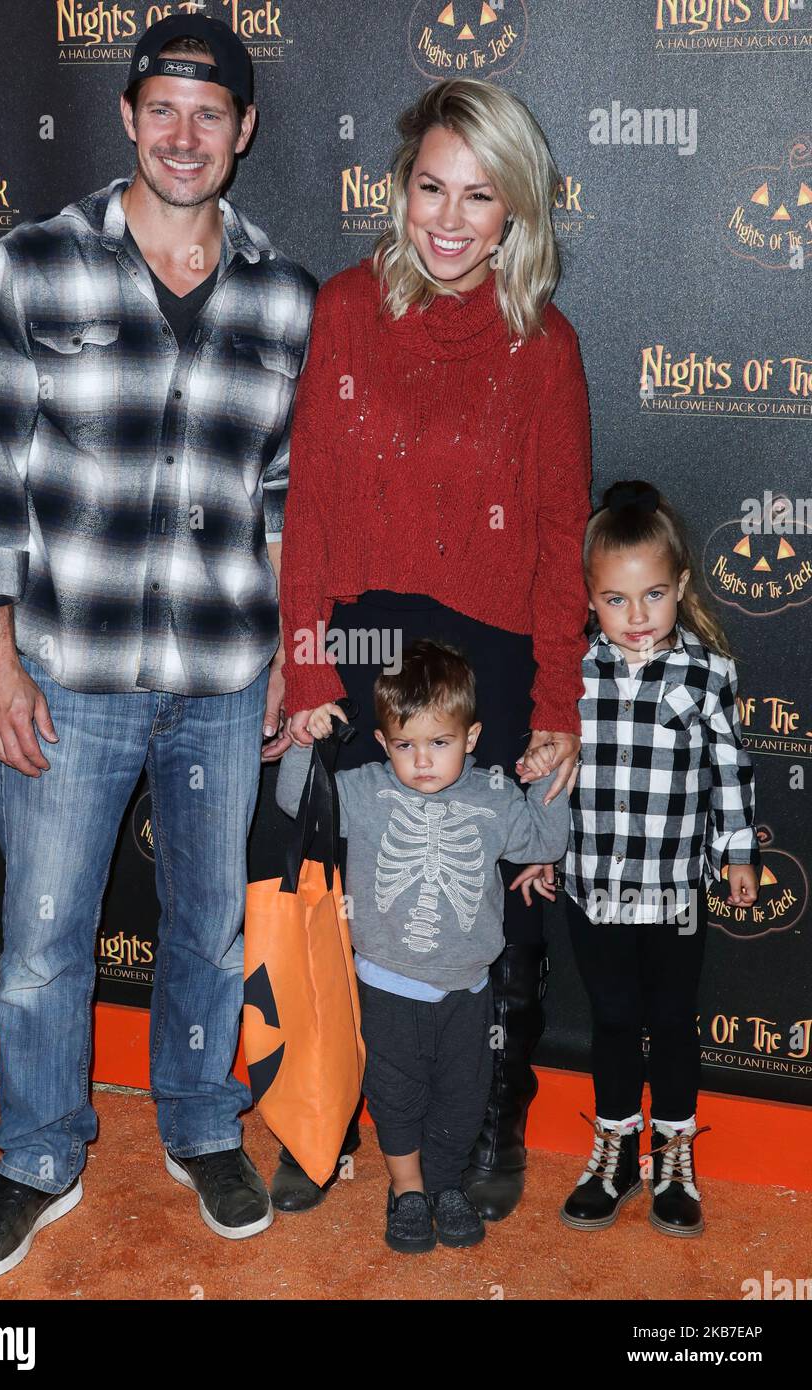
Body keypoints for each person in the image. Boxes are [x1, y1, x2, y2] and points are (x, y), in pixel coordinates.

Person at [0, 13, 315, 1281]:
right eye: (163, 108)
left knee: (207, 929)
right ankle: (38, 1155)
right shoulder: (33, 267)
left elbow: (280, 506)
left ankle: (205, 1125)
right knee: (42, 935)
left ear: (245, 131)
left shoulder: (285, 299)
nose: (184, 134)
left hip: (219, 679)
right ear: (129, 116)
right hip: (66, 676)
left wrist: (283, 670)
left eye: (211, 113)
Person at [273, 78, 591, 1218]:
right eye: (430, 188)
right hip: (361, 646)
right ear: (399, 189)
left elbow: (562, 537)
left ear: (517, 213)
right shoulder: (348, 309)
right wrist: (309, 666)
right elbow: (306, 507)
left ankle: (490, 1120)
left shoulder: (543, 346)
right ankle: (327, 1115)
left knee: (496, 908)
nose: (450, 220)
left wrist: (556, 698)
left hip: (497, 654)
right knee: (346, 901)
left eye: (480, 196)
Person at [520, 480, 759, 1238]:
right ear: (589, 599)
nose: (635, 617)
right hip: (596, 889)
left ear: (680, 587)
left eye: (653, 596)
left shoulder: (704, 673)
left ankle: (674, 1152)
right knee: (614, 1022)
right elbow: (553, 769)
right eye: (615, 600)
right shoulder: (572, 676)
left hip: (676, 893)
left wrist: (739, 854)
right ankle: (617, 1148)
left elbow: (730, 770)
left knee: (673, 1022)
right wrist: (541, 842)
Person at [276, 641, 570, 1253]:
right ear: (383, 745)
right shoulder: (362, 790)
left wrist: (553, 780)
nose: (423, 761)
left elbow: (542, 842)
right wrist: (303, 745)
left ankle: (444, 1184)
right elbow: (294, 803)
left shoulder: (493, 796)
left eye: (440, 743)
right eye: (405, 745)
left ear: (472, 737)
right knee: (395, 1097)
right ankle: (407, 1189)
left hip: (468, 990)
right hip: (385, 985)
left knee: (465, 1098)